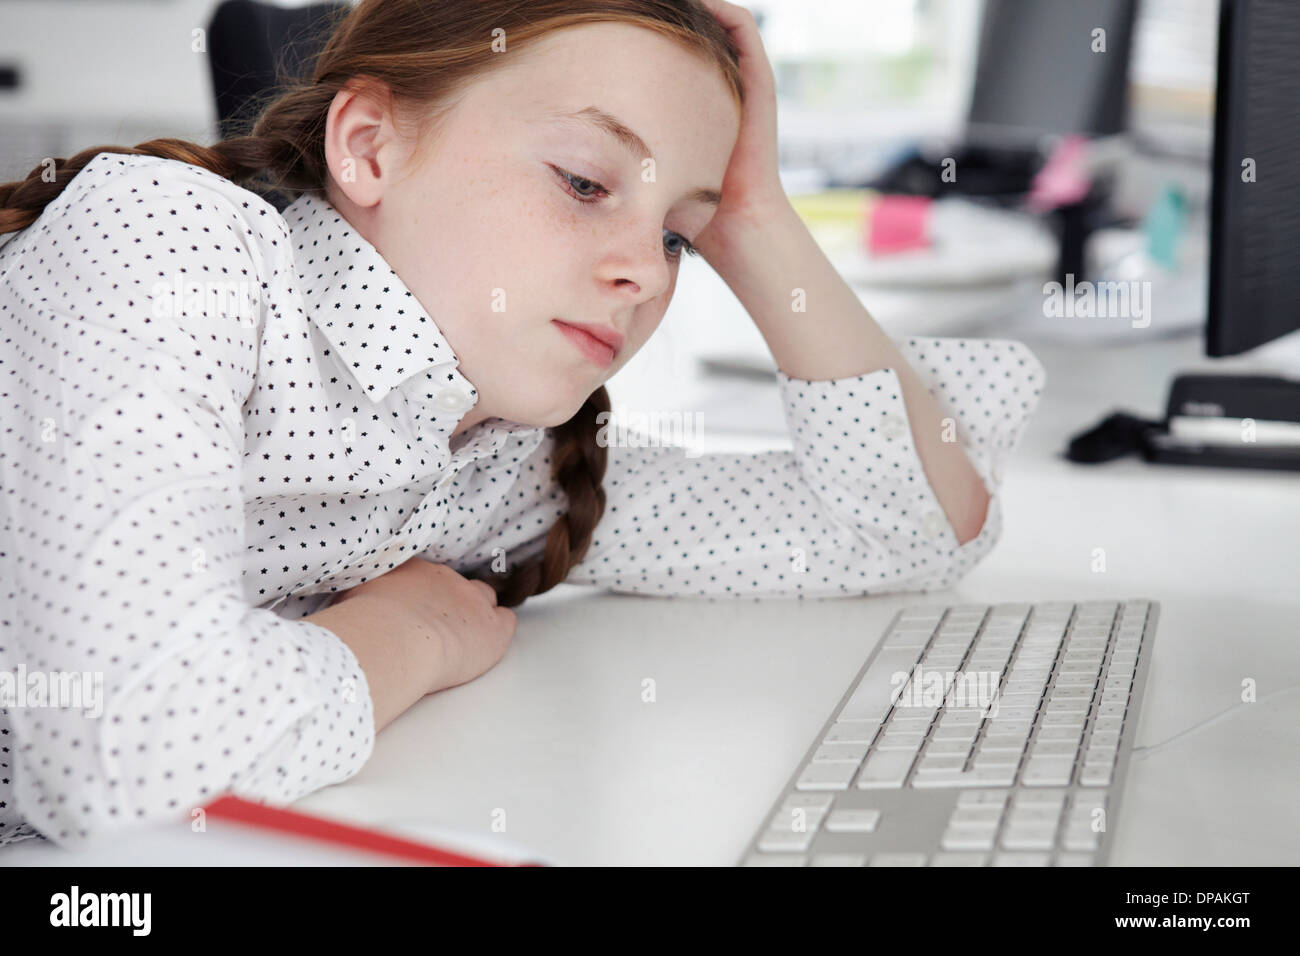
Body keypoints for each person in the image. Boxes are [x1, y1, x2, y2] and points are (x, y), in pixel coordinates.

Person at [0, 0, 1045, 849]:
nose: (642, 270)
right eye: (586, 181)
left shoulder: (499, 462)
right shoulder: (168, 240)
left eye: (677, 235)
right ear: (368, 145)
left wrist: (753, 216)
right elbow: (119, 760)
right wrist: (412, 632)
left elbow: (903, 523)